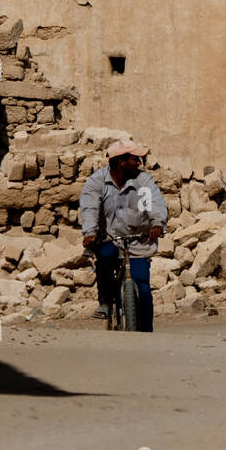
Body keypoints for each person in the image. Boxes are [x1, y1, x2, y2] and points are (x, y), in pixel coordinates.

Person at [79, 139, 168, 331]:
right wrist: (90, 232)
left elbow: (151, 204)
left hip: (137, 240)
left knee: (143, 288)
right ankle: (105, 301)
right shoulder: (97, 181)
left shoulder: (142, 180)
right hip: (109, 238)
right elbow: (90, 207)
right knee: (104, 256)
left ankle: (146, 331)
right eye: (135, 159)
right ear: (121, 161)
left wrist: (156, 223)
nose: (139, 162)